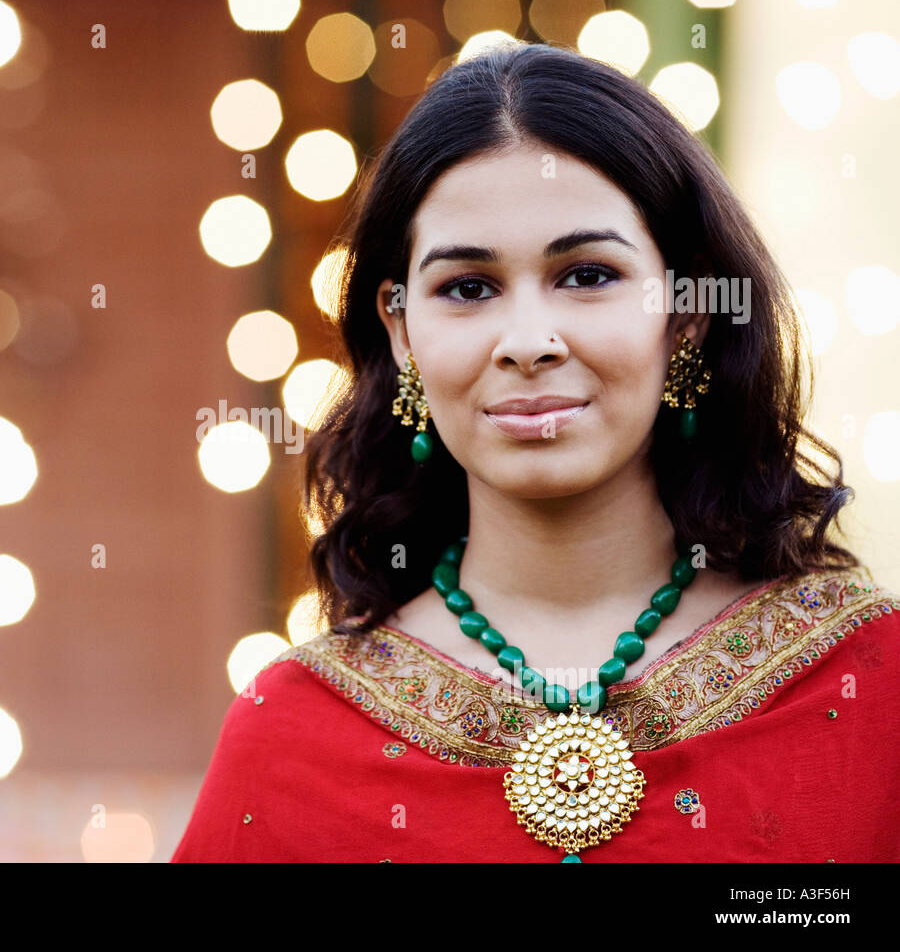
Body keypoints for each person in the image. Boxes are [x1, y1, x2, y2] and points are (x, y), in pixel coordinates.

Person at [171, 42, 899, 862]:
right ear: (402, 331)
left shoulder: (868, 687)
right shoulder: (296, 735)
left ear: (688, 312)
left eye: (587, 275)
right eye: (468, 288)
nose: (527, 342)